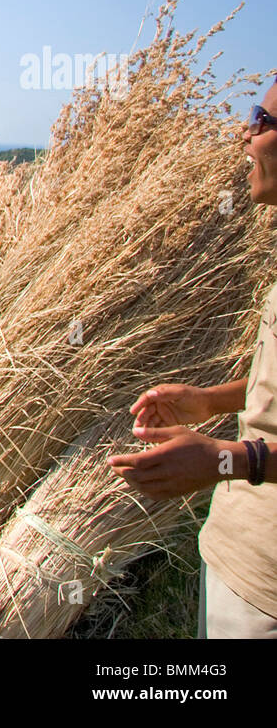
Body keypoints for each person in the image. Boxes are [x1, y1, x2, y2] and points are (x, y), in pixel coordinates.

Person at [108, 80, 277, 638]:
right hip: (237, 555)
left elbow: (246, 455)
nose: (244, 135)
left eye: (261, 119)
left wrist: (231, 460)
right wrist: (207, 401)